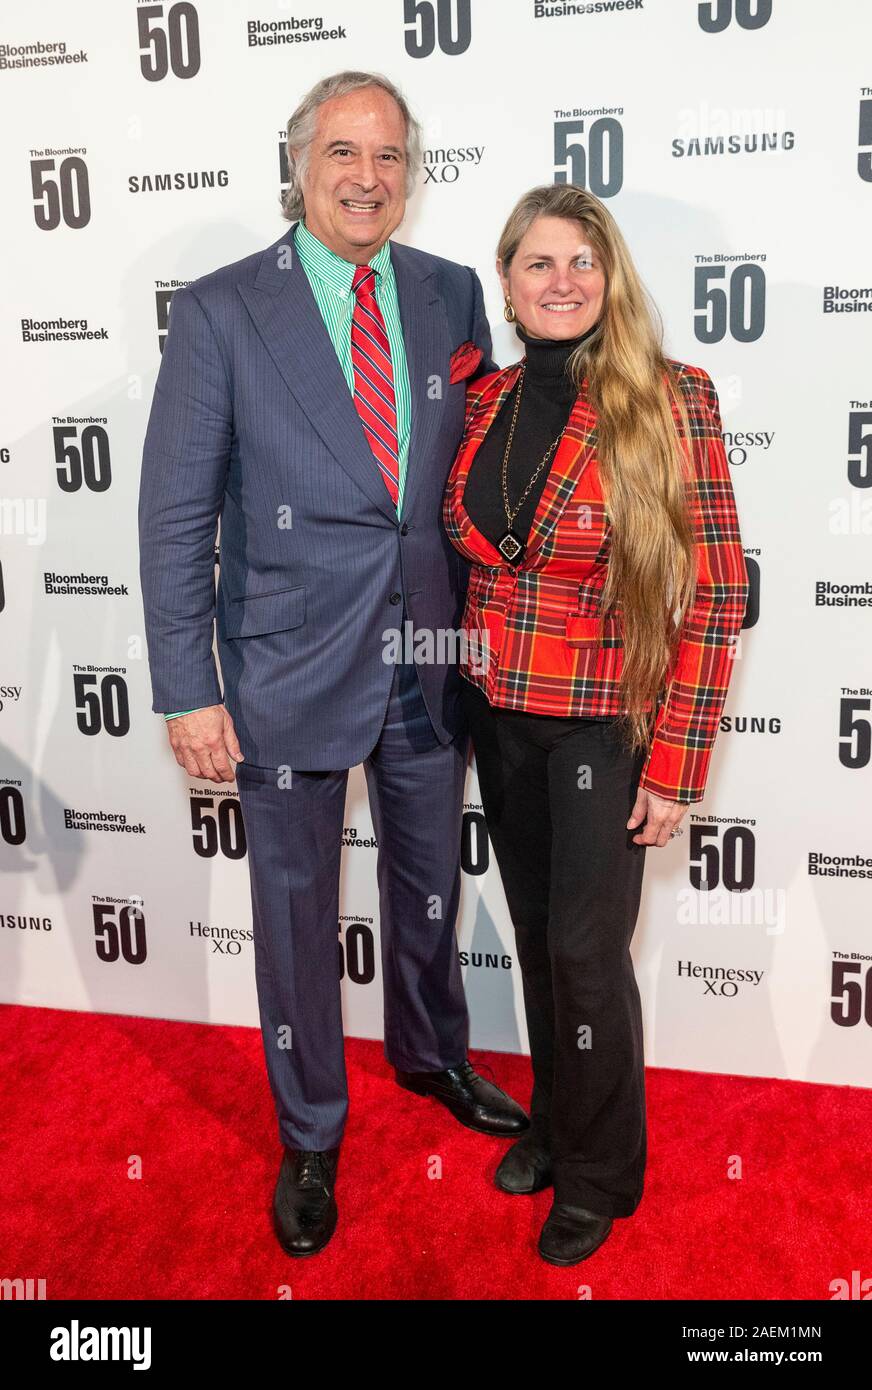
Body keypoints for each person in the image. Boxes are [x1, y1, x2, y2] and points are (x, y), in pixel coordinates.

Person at [138, 71, 528, 1260]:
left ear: (412, 175)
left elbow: (469, 474)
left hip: (428, 652)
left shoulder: (450, 291)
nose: (367, 178)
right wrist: (188, 684)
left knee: (426, 884)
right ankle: (310, 1127)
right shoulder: (217, 312)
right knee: (298, 912)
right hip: (282, 669)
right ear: (301, 162)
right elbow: (172, 516)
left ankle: (429, 1053)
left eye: (390, 157)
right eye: (345, 154)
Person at [442, 183, 749, 1266]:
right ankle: (554, 1121)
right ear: (508, 281)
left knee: (583, 951)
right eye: (537, 263)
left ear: (610, 278)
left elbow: (713, 593)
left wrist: (676, 763)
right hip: (496, 713)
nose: (560, 281)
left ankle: (601, 1167)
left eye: (582, 262)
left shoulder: (670, 398)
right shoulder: (482, 401)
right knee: (536, 941)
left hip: (602, 726)